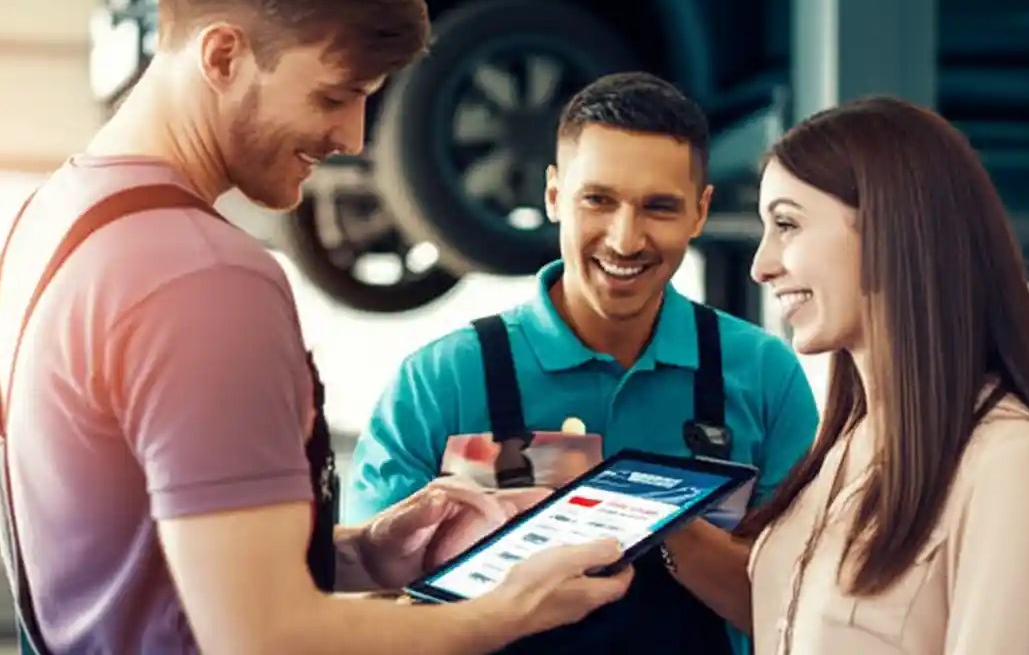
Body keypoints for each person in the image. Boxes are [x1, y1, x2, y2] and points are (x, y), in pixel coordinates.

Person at [0, 0, 632, 653]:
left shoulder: (54, 220)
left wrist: (365, 552)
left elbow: (142, 568)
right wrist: (509, 610)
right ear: (224, 55)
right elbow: (266, 637)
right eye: (334, 94)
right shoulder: (203, 279)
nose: (353, 138)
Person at [343, 72, 821, 653]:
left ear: (700, 212)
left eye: (659, 208)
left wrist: (660, 521)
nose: (625, 239)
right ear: (553, 196)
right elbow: (369, 612)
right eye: (598, 200)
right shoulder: (439, 383)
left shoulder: (764, 374)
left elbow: (803, 613)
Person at [667, 95, 1029, 654]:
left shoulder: (1012, 463)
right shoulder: (840, 451)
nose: (762, 264)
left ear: (887, 230)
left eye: (787, 224)